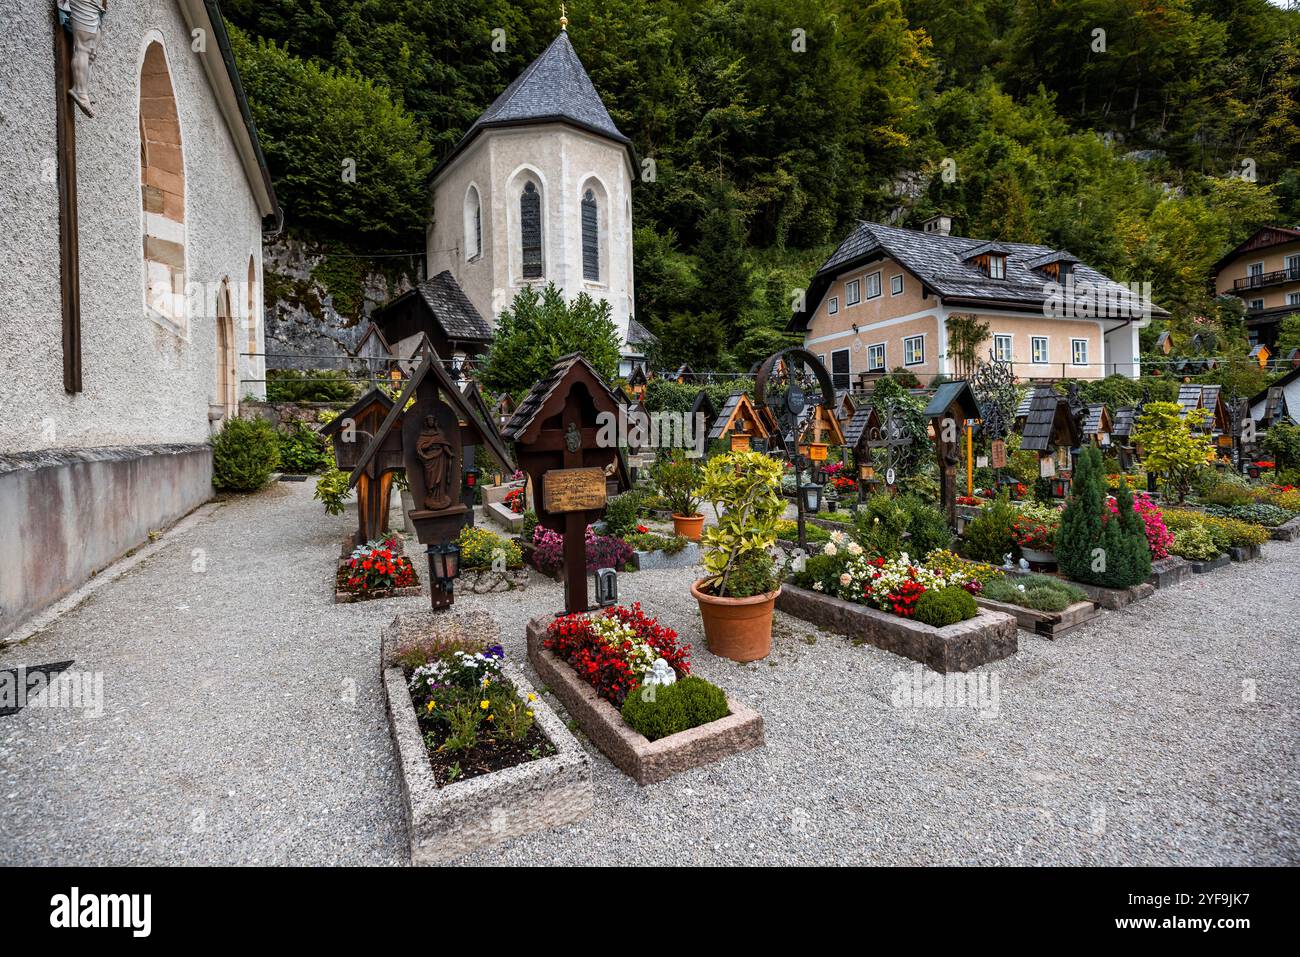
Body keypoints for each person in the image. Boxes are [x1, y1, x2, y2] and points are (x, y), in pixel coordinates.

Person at [58, 0, 108, 117]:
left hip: (96, 6)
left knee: (91, 54)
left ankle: (83, 91)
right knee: (83, 47)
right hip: (85, 2)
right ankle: (80, 92)